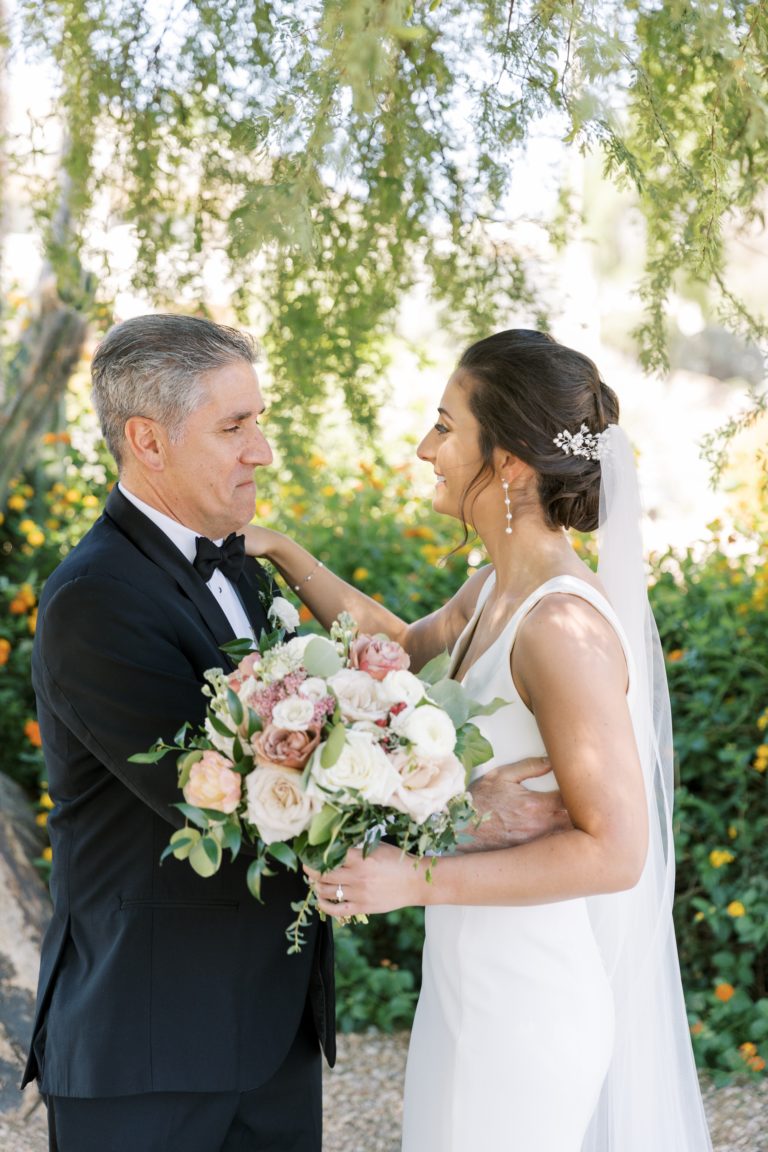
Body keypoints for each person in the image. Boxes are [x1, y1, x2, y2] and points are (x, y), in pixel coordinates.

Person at [243, 329, 713, 1151]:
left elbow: (617, 852)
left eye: (445, 426)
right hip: (469, 980)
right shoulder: (495, 585)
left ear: (512, 463)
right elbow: (391, 650)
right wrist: (284, 552)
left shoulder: (562, 626)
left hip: (528, 1002)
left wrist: (411, 877)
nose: (427, 449)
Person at [22, 314, 337, 1152]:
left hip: (270, 1038)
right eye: (234, 427)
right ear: (146, 441)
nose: (261, 450)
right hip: (150, 1050)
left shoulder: (239, 562)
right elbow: (216, 798)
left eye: (258, 421)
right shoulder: (94, 598)